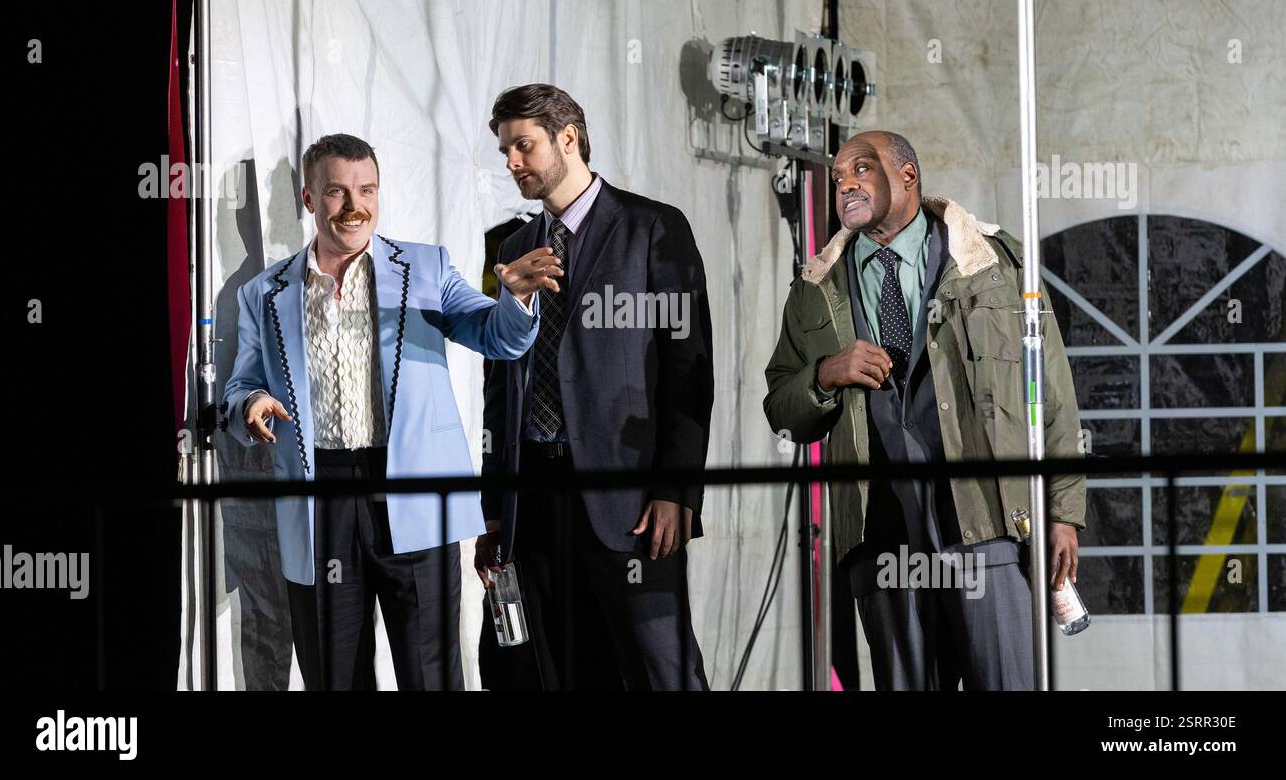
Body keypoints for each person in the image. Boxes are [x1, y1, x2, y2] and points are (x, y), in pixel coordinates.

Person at [223, 133, 557, 690]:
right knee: (334, 672)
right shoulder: (264, 292)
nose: (355, 206)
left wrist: (515, 298)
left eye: (367, 190)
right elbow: (240, 386)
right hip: (318, 499)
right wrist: (252, 402)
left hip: (413, 492)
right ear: (308, 198)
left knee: (429, 673)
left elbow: (495, 336)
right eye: (336, 191)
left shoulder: (425, 269)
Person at [763, 130, 1086, 690]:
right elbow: (782, 410)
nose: (845, 185)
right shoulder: (816, 288)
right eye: (838, 178)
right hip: (882, 540)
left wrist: (1062, 510)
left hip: (987, 525)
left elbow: (1050, 392)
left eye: (861, 169)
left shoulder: (994, 263)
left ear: (908, 175)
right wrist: (824, 375)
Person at [476, 84, 714, 690]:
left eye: (522, 147)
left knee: (662, 670)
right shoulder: (511, 248)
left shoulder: (655, 228)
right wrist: (496, 510)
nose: (511, 163)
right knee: (556, 670)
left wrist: (676, 489)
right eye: (505, 150)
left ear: (569, 138)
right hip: (533, 496)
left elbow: (690, 369)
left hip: (629, 498)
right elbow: (499, 384)